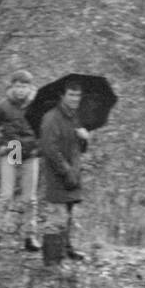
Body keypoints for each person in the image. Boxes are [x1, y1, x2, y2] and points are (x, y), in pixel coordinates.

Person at [0, 70, 41, 252]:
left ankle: (29, 235)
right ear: (12, 87)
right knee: (6, 195)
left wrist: (40, 145)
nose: (20, 90)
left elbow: (45, 127)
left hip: (30, 152)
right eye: (17, 86)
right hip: (13, 149)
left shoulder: (38, 106)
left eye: (24, 86)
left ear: (30, 88)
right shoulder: (3, 106)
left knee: (29, 197)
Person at [39, 79, 90, 264]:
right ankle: (51, 262)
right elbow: (49, 148)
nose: (76, 99)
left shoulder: (75, 118)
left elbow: (79, 149)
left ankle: (65, 250)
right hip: (58, 174)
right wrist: (65, 170)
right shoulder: (52, 118)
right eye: (71, 94)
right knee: (56, 217)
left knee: (67, 215)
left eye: (78, 95)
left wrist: (84, 138)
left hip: (72, 174)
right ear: (62, 96)